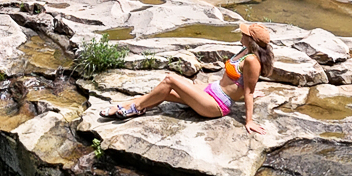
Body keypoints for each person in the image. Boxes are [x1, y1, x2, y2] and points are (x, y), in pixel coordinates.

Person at [104, 22, 273, 135]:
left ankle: (134, 107)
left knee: (170, 79)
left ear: (252, 40)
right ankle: (129, 106)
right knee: (163, 92)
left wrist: (249, 120)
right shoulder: (244, 51)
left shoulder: (252, 60)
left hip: (216, 105)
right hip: (210, 91)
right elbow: (245, 85)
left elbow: (249, 90)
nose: (241, 34)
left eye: (244, 33)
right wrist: (245, 92)